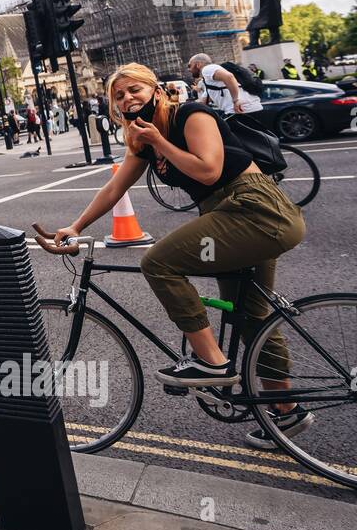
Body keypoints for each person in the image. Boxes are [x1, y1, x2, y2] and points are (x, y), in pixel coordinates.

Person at [44, 63, 308, 448]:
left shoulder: (190, 115)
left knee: (159, 262)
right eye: (118, 96)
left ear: (155, 90)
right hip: (228, 215)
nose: (127, 99)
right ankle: (286, 410)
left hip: (254, 209)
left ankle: (212, 364)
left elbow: (208, 169)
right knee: (250, 317)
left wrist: (160, 142)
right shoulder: (145, 142)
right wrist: (76, 226)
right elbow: (114, 188)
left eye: (134, 89)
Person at [187, 53, 265, 126]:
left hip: (241, 112)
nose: (188, 69)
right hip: (251, 109)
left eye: (189, 66)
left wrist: (236, 100)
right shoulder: (210, 82)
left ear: (198, 64)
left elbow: (229, 77)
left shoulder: (207, 69)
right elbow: (204, 101)